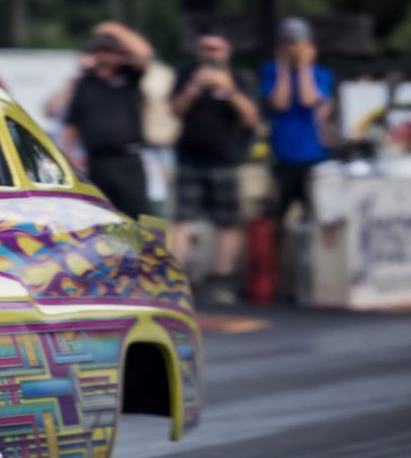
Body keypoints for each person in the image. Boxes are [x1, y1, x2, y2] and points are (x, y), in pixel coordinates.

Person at [170, 32, 260, 303]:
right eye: (205, 48)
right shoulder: (186, 74)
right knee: (183, 219)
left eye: (216, 48)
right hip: (190, 156)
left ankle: (222, 279)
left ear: (226, 51)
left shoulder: (240, 78)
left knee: (227, 222)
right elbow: (175, 110)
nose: (210, 53)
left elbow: (251, 117)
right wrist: (193, 88)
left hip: (226, 157)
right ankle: (179, 279)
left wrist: (229, 89)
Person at [61, 21, 154, 217]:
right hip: (96, 161)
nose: (105, 54)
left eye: (110, 50)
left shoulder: (129, 76)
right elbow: (71, 123)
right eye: (100, 49)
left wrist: (116, 30)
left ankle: (144, 249)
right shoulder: (85, 83)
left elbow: (144, 54)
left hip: (128, 160)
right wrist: (69, 157)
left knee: (138, 215)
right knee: (101, 216)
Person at [262, 17, 334, 221]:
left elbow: (308, 99)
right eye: (288, 44)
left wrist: (304, 66)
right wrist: (283, 65)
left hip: (313, 155)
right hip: (282, 154)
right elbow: (280, 102)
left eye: (297, 44)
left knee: (314, 213)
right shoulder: (271, 71)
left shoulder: (320, 74)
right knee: (276, 213)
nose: (293, 49)